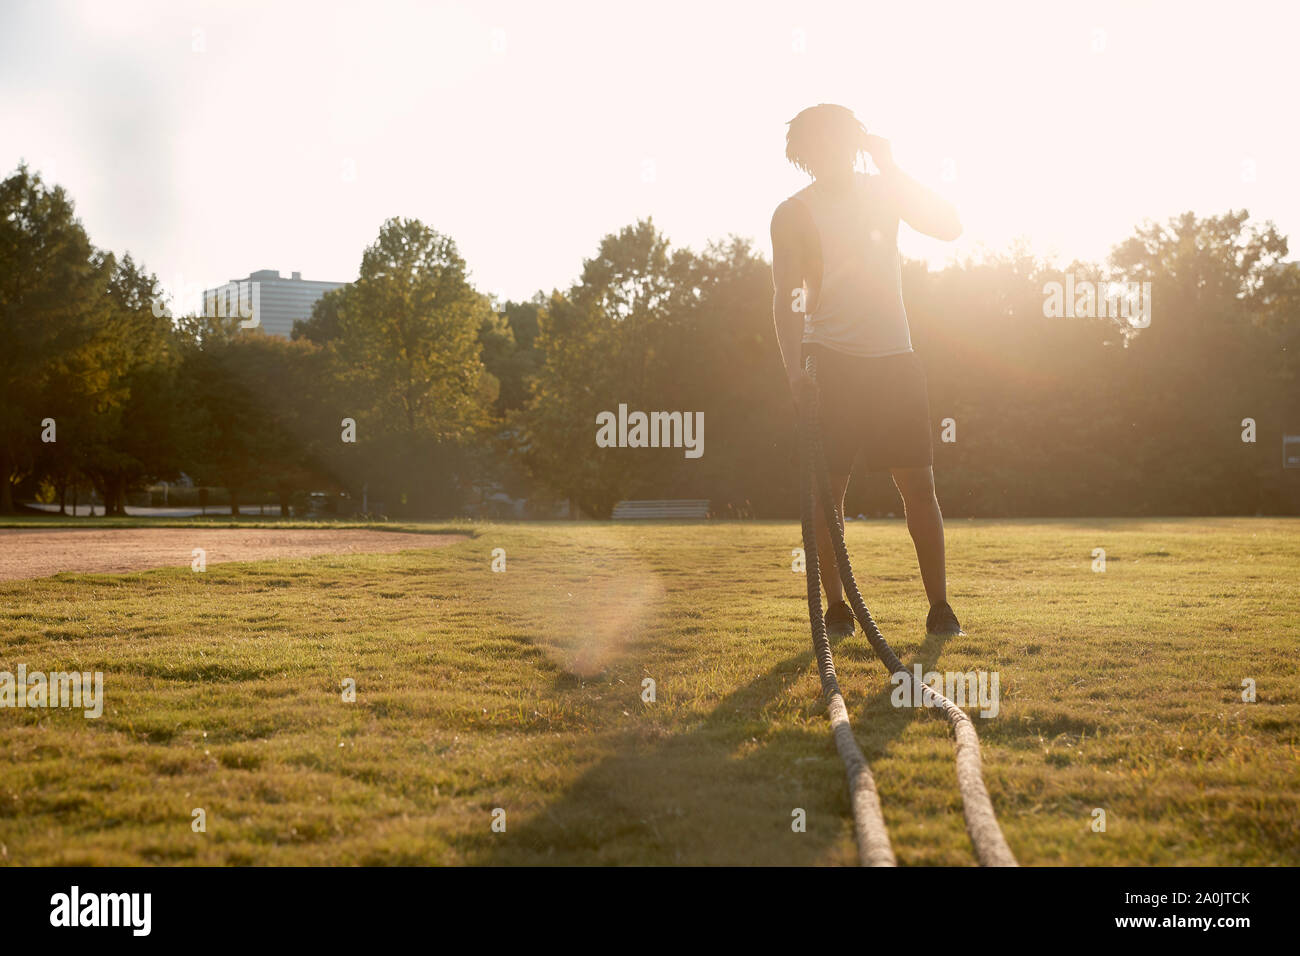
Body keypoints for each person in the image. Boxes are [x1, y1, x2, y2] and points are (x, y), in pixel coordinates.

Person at [770, 103, 964, 637]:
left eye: (838, 143)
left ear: (853, 143)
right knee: (828, 496)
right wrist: (794, 373)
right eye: (816, 147)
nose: (827, 155)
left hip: (894, 360)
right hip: (828, 361)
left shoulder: (885, 189)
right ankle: (836, 609)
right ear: (803, 155)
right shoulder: (793, 212)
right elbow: (785, 300)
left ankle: (940, 609)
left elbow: (950, 226)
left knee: (919, 485)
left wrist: (892, 167)